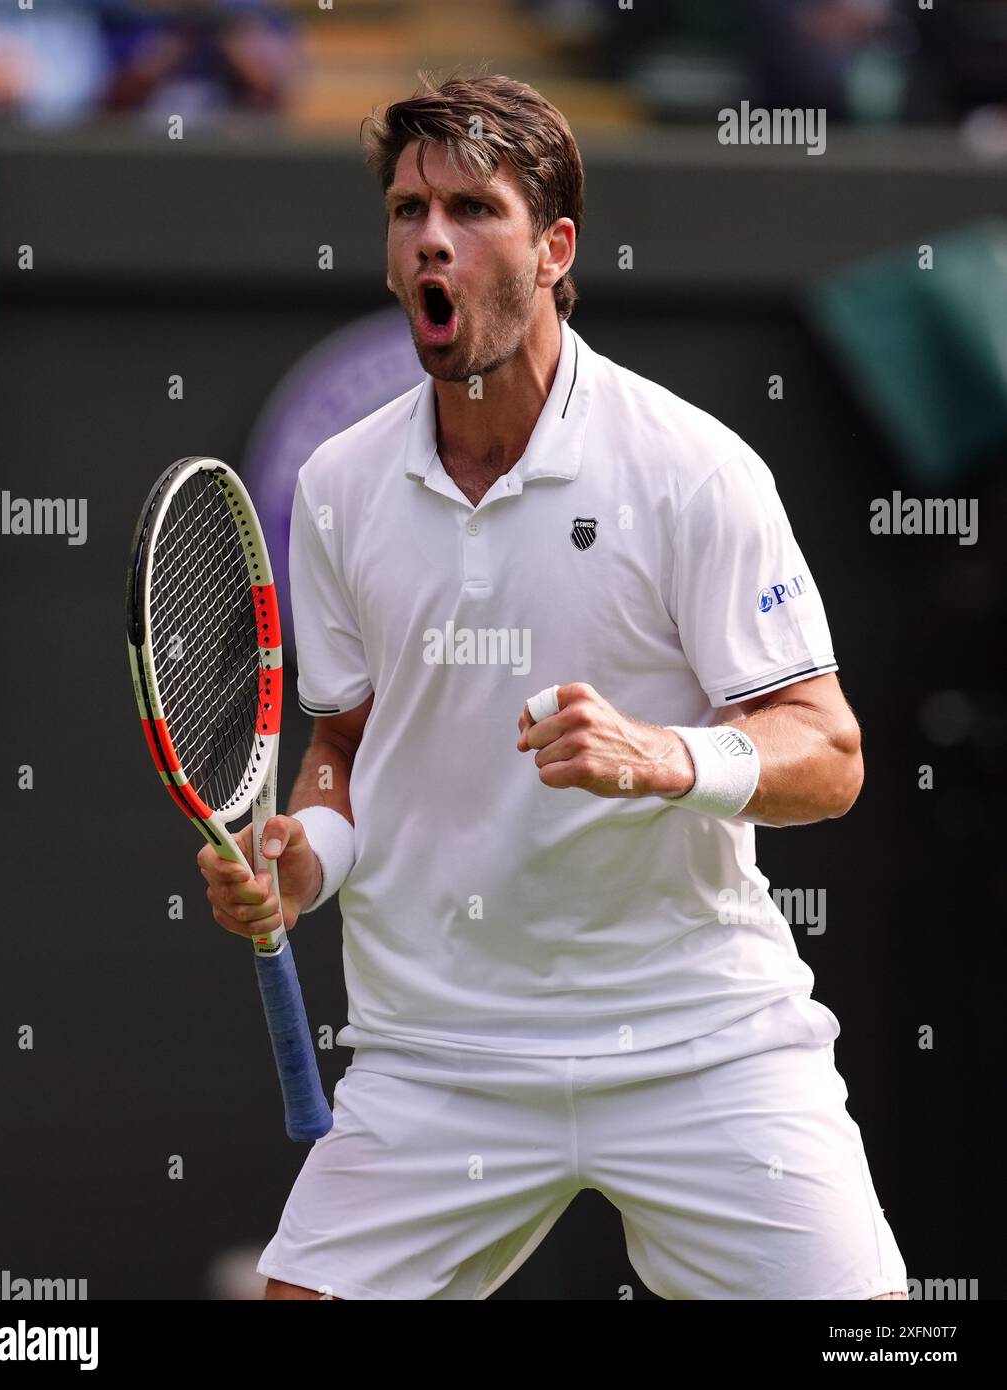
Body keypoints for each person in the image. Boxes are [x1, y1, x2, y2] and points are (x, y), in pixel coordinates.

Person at [199, 72, 909, 1302]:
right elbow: (347, 745)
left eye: (473, 207)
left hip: (698, 1041)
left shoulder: (692, 470)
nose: (432, 235)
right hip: (441, 1055)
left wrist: (666, 757)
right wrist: (302, 856)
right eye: (410, 208)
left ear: (553, 248)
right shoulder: (335, 487)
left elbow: (828, 754)